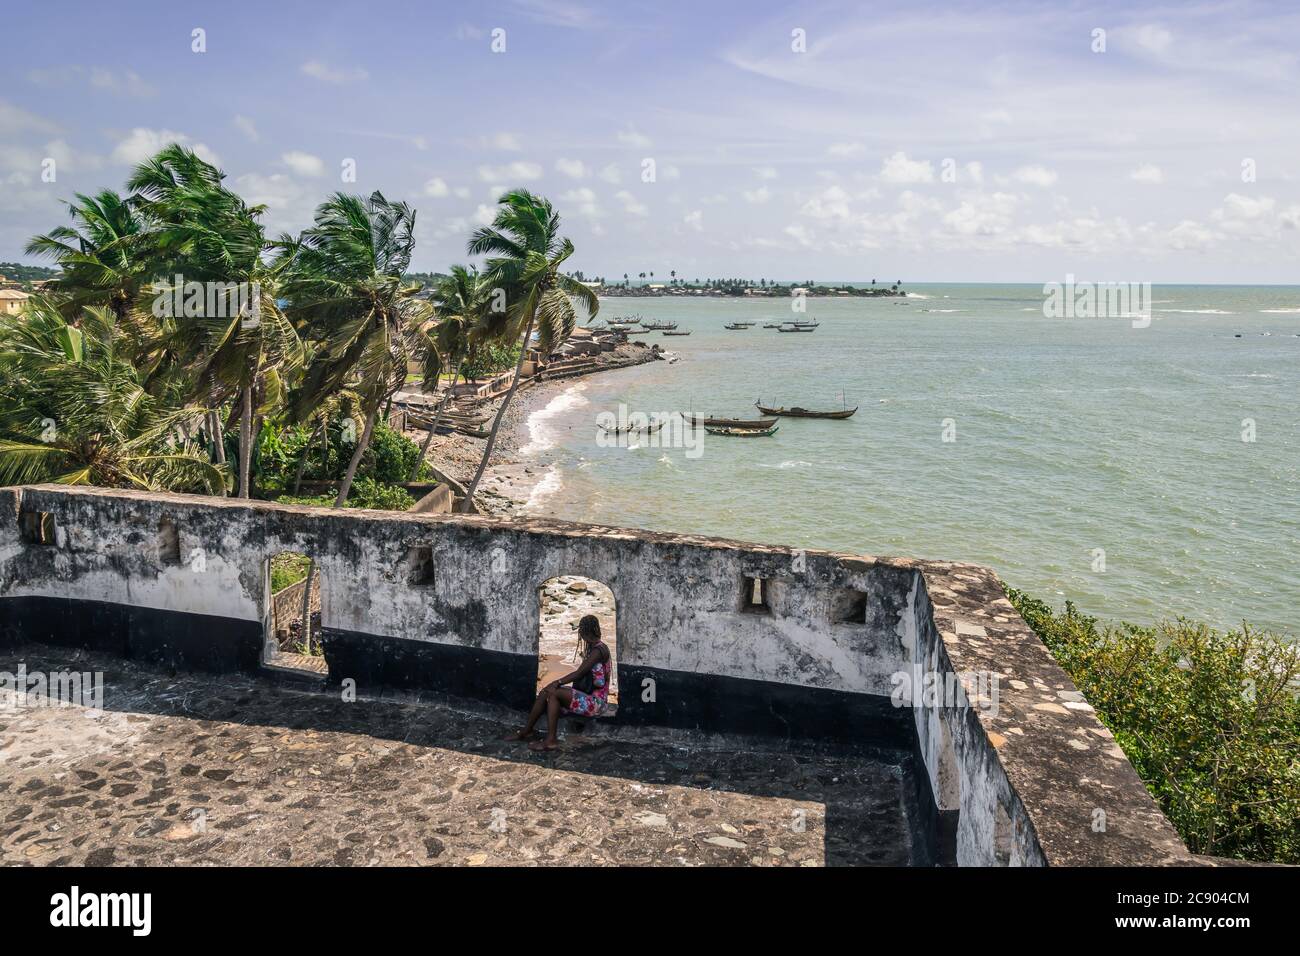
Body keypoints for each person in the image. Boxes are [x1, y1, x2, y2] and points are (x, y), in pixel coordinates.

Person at [507, 614, 611, 751]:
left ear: (584, 632)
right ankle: (527, 730)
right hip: (589, 697)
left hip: (597, 703)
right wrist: (555, 684)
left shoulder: (599, 651)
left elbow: (579, 673)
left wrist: (557, 682)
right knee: (546, 692)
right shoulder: (595, 648)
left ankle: (551, 740)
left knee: (554, 693)